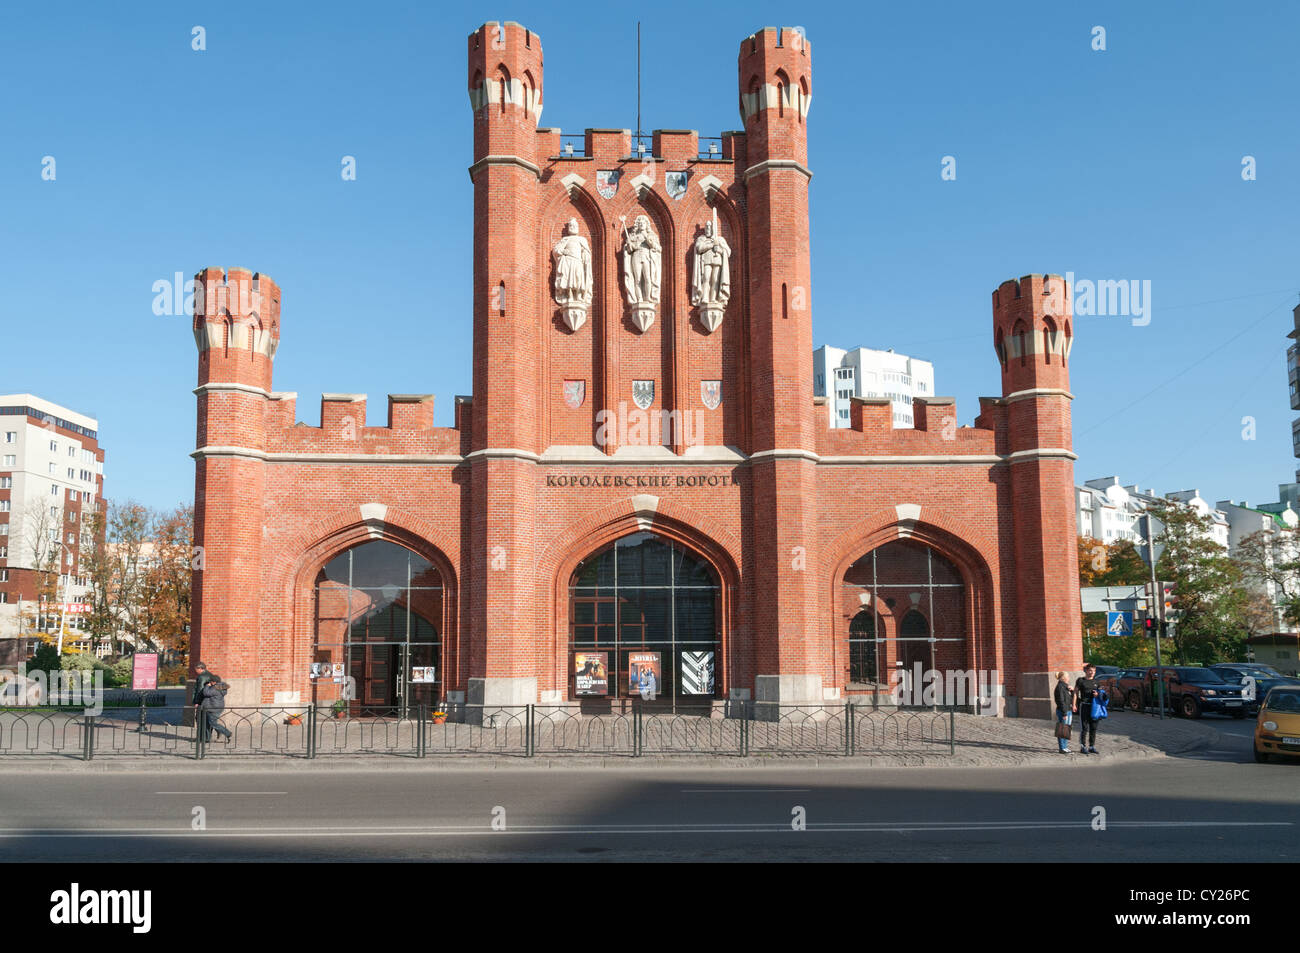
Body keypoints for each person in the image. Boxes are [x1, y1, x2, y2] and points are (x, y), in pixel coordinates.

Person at [1073, 663, 1100, 754]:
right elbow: (1075, 693)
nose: (1092, 672)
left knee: (1093, 727)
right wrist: (1074, 704)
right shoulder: (1081, 680)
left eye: (1094, 671)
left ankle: (1091, 746)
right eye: (1090, 670)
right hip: (1084, 705)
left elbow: (1101, 694)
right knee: (1084, 727)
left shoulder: (1096, 682)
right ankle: (1083, 746)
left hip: (1094, 707)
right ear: (1086, 671)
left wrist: (1097, 694)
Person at [200, 677, 232, 743]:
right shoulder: (220, 687)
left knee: (213, 723)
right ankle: (207, 738)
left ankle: (227, 733)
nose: (210, 683)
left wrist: (206, 686)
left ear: (214, 682)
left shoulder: (215, 688)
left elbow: (206, 693)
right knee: (209, 723)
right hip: (215, 708)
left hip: (213, 708)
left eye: (210, 681)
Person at [1053, 671, 1073, 754]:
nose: (1069, 678)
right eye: (1068, 676)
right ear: (1063, 678)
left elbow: (1069, 699)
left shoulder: (1065, 686)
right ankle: (1062, 748)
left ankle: (1065, 747)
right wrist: (1064, 713)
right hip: (1063, 711)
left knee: (1066, 729)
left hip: (1068, 710)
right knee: (1062, 729)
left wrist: (1072, 691)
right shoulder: (1060, 687)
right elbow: (1061, 701)